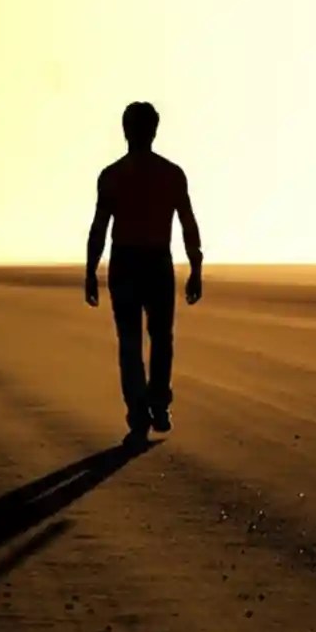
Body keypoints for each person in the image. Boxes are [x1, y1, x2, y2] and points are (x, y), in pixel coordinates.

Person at [85, 102, 203, 444]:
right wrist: (196, 266)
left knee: (135, 342)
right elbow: (188, 225)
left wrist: (91, 270)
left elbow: (99, 229)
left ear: (127, 131)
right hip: (150, 262)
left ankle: (142, 411)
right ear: (153, 130)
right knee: (157, 338)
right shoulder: (168, 174)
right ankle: (152, 406)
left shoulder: (115, 175)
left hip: (131, 261)